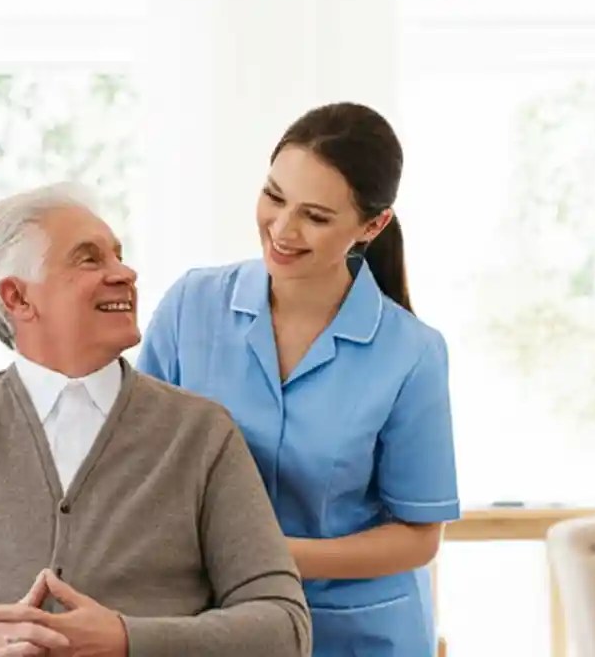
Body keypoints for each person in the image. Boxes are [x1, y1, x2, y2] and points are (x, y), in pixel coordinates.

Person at [0, 183, 312, 657]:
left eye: (118, 254)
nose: (124, 273)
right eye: (89, 258)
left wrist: (126, 640)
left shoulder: (201, 434)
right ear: (17, 298)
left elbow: (283, 627)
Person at [137, 102, 460, 656]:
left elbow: (418, 537)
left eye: (316, 216)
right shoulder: (191, 306)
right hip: (213, 623)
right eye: (274, 196)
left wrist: (266, 554)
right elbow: (138, 462)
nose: (282, 230)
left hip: (359, 634)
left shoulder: (412, 353)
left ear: (372, 225)